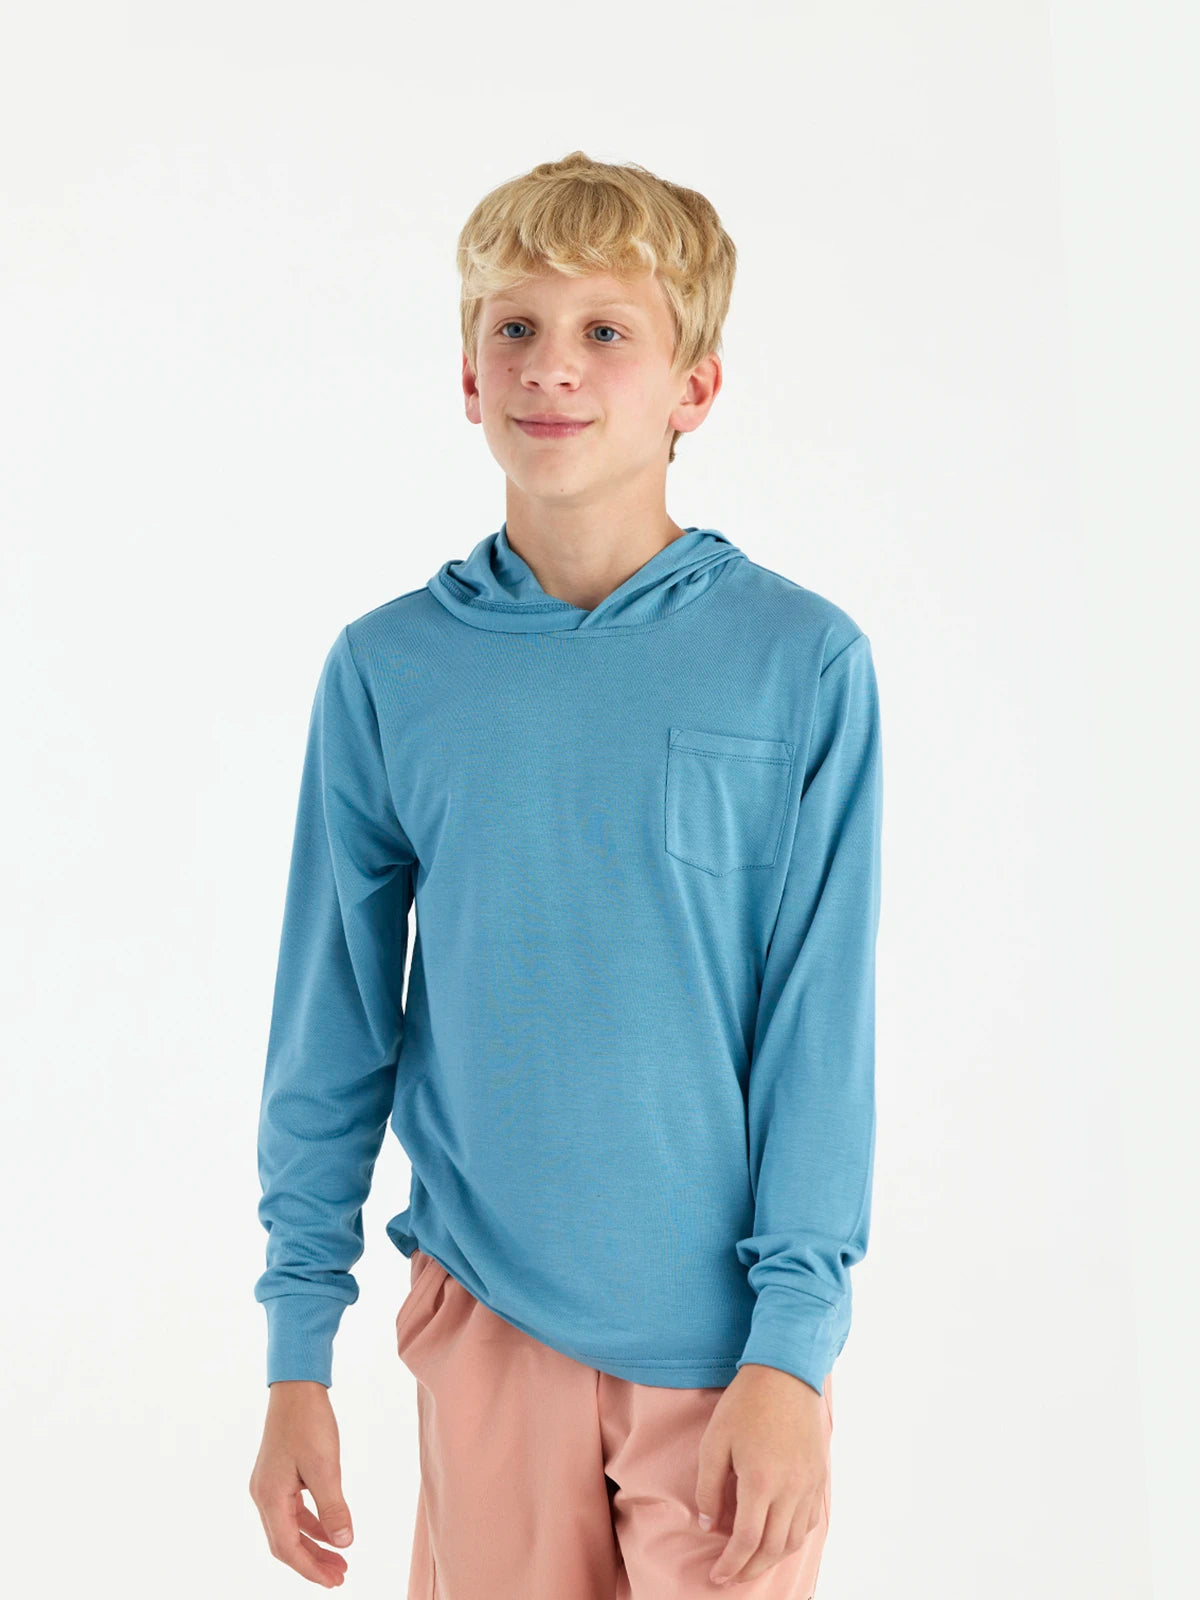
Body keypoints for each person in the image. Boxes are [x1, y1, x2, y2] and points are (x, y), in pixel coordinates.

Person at [248, 150, 883, 1599]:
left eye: (606, 330)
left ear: (694, 388)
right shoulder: (390, 671)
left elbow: (819, 1030)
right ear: (468, 375)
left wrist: (792, 1351)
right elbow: (333, 1026)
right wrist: (296, 1356)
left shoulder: (800, 663)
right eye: (516, 327)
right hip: (487, 1330)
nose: (552, 366)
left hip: (727, 1363)